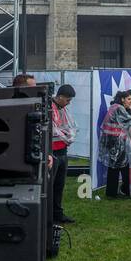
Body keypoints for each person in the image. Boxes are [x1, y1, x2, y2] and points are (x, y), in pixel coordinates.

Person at [99, 89, 131, 198]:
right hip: (117, 142)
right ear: (122, 99)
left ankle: (116, 191)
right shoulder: (119, 108)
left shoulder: (114, 107)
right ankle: (125, 190)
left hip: (114, 141)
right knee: (125, 165)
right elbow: (130, 120)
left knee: (116, 166)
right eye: (129, 99)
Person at [48, 84, 77, 223]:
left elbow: (69, 126)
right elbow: (53, 129)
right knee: (50, 185)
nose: (68, 103)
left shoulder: (63, 109)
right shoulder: (49, 108)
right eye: (67, 100)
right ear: (59, 97)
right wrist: (66, 135)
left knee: (59, 185)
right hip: (52, 152)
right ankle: (48, 215)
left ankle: (57, 214)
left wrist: (70, 135)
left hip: (62, 150)